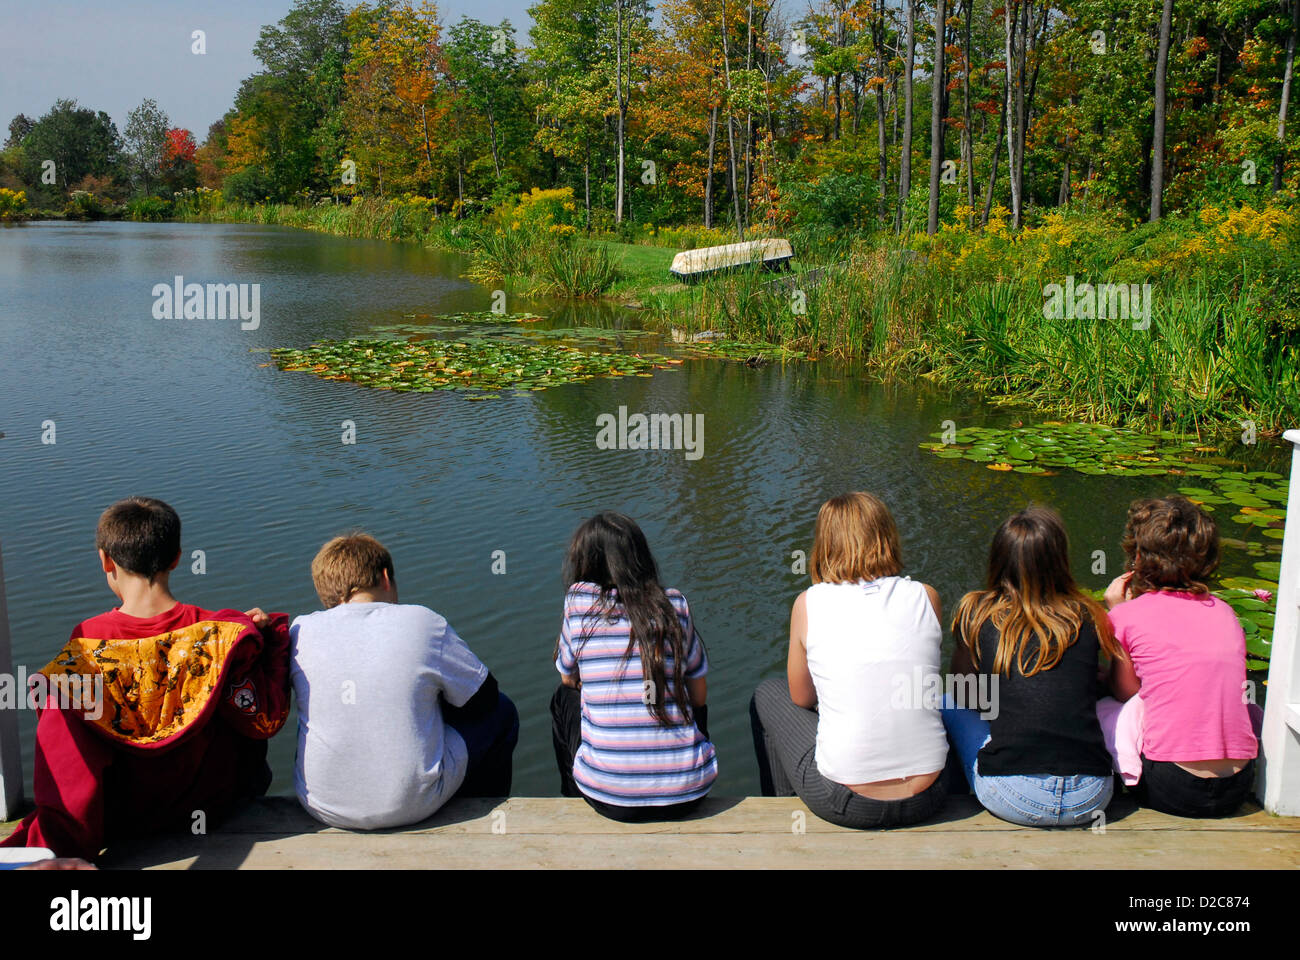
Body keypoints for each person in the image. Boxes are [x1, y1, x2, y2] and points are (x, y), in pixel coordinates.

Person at [0, 497, 290, 862]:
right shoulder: (218, 636)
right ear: (177, 558)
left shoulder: (86, 648)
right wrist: (260, 637)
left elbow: (71, 766)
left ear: (106, 560)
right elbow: (264, 718)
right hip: (210, 810)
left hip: (124, 821)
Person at [290, 533, 518, 830]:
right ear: (386, 578)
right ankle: (481, 815)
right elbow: (484, 698)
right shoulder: (422, 621)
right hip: (411, 805)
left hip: (321, 805)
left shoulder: (299, 630)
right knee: (503, 711)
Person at [750, 492, 949, 828]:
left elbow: (801, 698)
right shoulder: (926, 596)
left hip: (847, 802)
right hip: (930, 796)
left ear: (825, 544)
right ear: (888, 537)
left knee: (769, 694)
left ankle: (785, 816)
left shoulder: (810, 603)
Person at [942, 505, 1117, 827]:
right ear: (1059, 559)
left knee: (945, 701)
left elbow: (965, 693)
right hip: (1091, 795)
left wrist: (1005, 697)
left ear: (999, 559)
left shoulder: (976, 610)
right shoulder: (1088, 614)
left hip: (1013, 795)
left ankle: (952, 791)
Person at [550, 512, 717, 821]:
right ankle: (682, 762)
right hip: (690, 794)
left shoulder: (577, 604)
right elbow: (700, 695)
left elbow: (566, 677)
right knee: (686, 701)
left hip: (609, 799)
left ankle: (573, 795)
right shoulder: (674, 605)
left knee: (562, 700)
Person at [1101, 496, 1259, 818]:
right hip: (1238, 786)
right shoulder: (1226, 613)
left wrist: (1116, 611)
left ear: (1138, 556)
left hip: (1173, 787)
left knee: (1105, 706)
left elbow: (1125, 692)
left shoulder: (1127, 615)